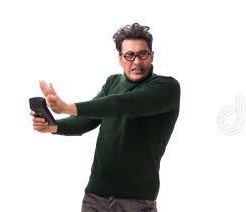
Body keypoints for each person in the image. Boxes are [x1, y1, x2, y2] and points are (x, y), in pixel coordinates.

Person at [30, 22, 180, 212]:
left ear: (151, 55)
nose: (136, 62)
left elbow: (123, 105)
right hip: (95, 195)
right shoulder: (112, 82)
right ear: (120, 59)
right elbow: (88, 119)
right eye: (129, 55)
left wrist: (67, 107)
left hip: (136, 199)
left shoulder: (166, 87)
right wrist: (54, 127)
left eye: (142, 54)